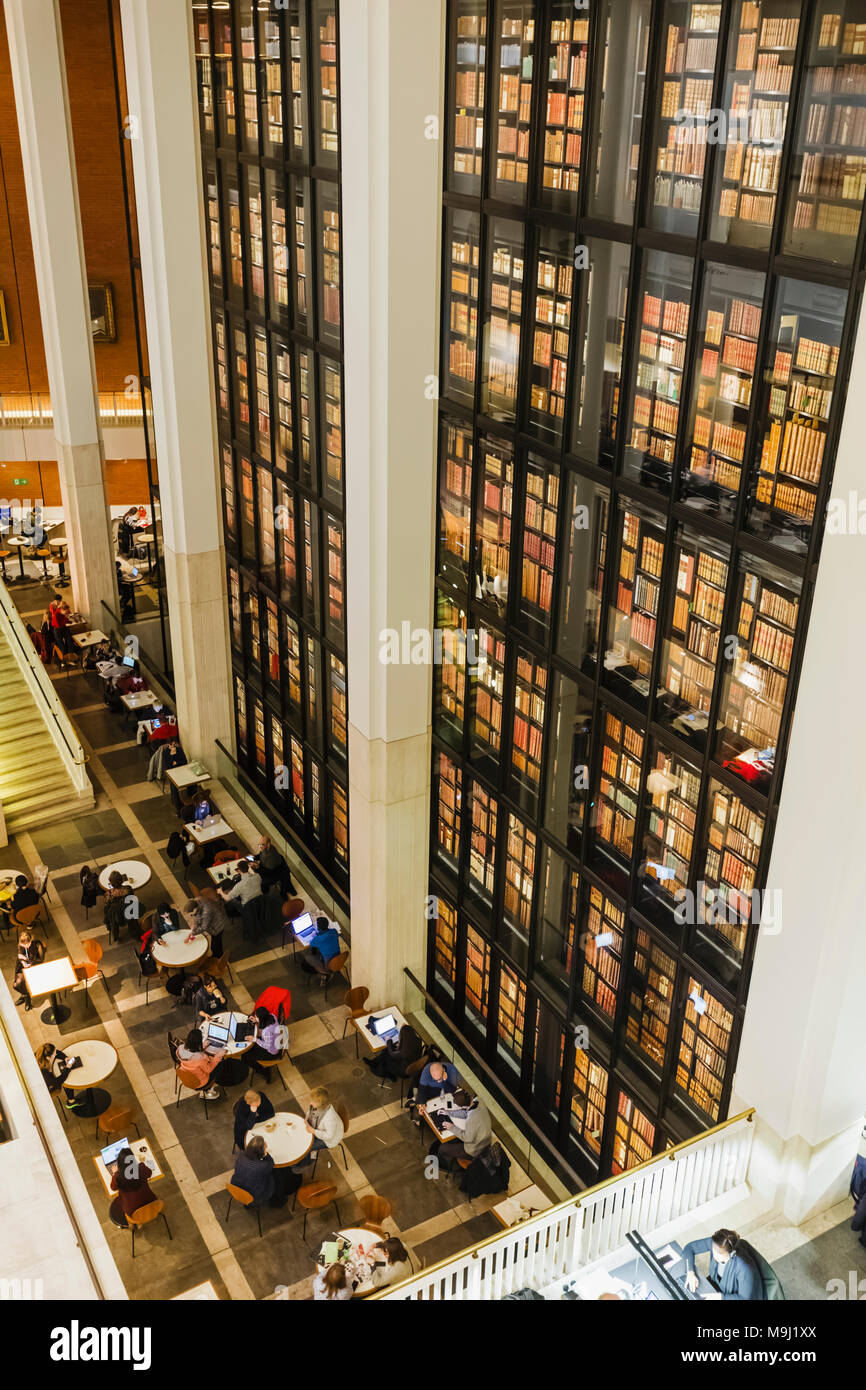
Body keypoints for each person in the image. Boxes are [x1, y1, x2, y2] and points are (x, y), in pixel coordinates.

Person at [682, 1229, 766, 1301]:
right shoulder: (717, 1244)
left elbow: (744, 1298)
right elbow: (689, 1248)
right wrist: (690, 1272)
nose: (714, 1255)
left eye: (718, 1254)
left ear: (731, 1253)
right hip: (716, 1286)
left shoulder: (744, 1268)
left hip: (731, 1297)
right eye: (713, 1249)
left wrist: (721, 1297)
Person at [291, 1086, 344, 1172]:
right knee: (302, 1138)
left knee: (306, 1147)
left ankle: (303, 1165)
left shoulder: (329, 1118)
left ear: (320, 1103)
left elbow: (329, 1136)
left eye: (313, 1102)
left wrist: (313, 1131)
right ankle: (303, 1157)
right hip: (318, 1129)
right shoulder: (319, 1107)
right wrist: (307, 1119)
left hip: (329, 1140)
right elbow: (311, 1111)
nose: (310, 1103)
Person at [437, 1089, 492, 1162]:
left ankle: (449, 1164)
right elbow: (466, 1113)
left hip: (475, 1150)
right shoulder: (478, 1101)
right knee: (454, 1141)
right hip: (485, 1142)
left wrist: (451, 1127)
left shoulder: (472, 1119)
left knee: (442, 1149)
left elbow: (467, 1138)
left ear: (463, 1107)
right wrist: (449, 1112)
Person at [176, 1026, 228, 1099]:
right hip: (200, 1083)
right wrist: (218, 1056)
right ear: (198, 1043)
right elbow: (209, 1069)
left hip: (187, 1078)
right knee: (220, 1064)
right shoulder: (200, 1059)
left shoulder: (180, 1048)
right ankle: (208, 1090)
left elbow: (191, 1054)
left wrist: (202, 1047)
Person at [109, 1146, 156, 1222]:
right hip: (152, 1204)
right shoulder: (141, 1167)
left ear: (119, 1164)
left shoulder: (118, 1177)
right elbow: (149, 1173)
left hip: (133, 1212)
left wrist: (115, 1173)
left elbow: (113, 1188)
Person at [231, 1134, 276, 1207]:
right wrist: (265, 1154)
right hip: (253, 1196)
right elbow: (271, 1163)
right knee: (272, 1176)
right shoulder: (262, 1166)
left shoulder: (240, 1154)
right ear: (260, 1152)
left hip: (236, 1188)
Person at [36, 1043, 83, 1109]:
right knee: (66, 1079)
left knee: (64, 1074)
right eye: (54, 1054)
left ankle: (71, 1099)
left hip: (50, 1080)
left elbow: (57, 1052)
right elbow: (57, 1082)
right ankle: (71, 1102)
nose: (56, 1054)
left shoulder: (41, 1054)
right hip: (47, 1088)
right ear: (48, 1058)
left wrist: (65, 1057)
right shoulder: (43, 1072)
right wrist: (68, 1068)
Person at [183, 894, 229, 959]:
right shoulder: (196, 901)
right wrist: (192, 931)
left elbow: (204, 927)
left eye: (191, 914)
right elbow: (197, 918)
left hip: (217, 925)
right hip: (213, 919)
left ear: (194, 909)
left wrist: (193, 933)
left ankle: (218, 958)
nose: (191, 916)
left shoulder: (206, 911)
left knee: (216, 943)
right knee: (215, 943)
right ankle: (216, 955)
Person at [246, 1006, 284, 1081]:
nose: (255, 1017)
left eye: (256, 1016)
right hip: (275, 1043)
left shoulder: (267, 1032)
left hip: (271, 1052)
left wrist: (255, 1039)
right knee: (249, 1050)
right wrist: (256, 1021)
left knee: (247, 1058)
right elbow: (263, 1026)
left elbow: (267, 1046)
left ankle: (264, 1071)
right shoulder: (272, 1016)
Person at [12, 930, 45, 1009]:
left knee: (21, 983)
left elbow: (41, 959)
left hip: (34, 966)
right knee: (16, 985)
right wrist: (23, 961)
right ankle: (26, 995)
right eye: (23, 945)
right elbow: (20, 957)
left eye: (27, 944)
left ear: (31, 940)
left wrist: (27, 960)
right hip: (22, 967)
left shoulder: (37, 944)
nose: (25, 946)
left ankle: (26, 999)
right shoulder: (21, 945)